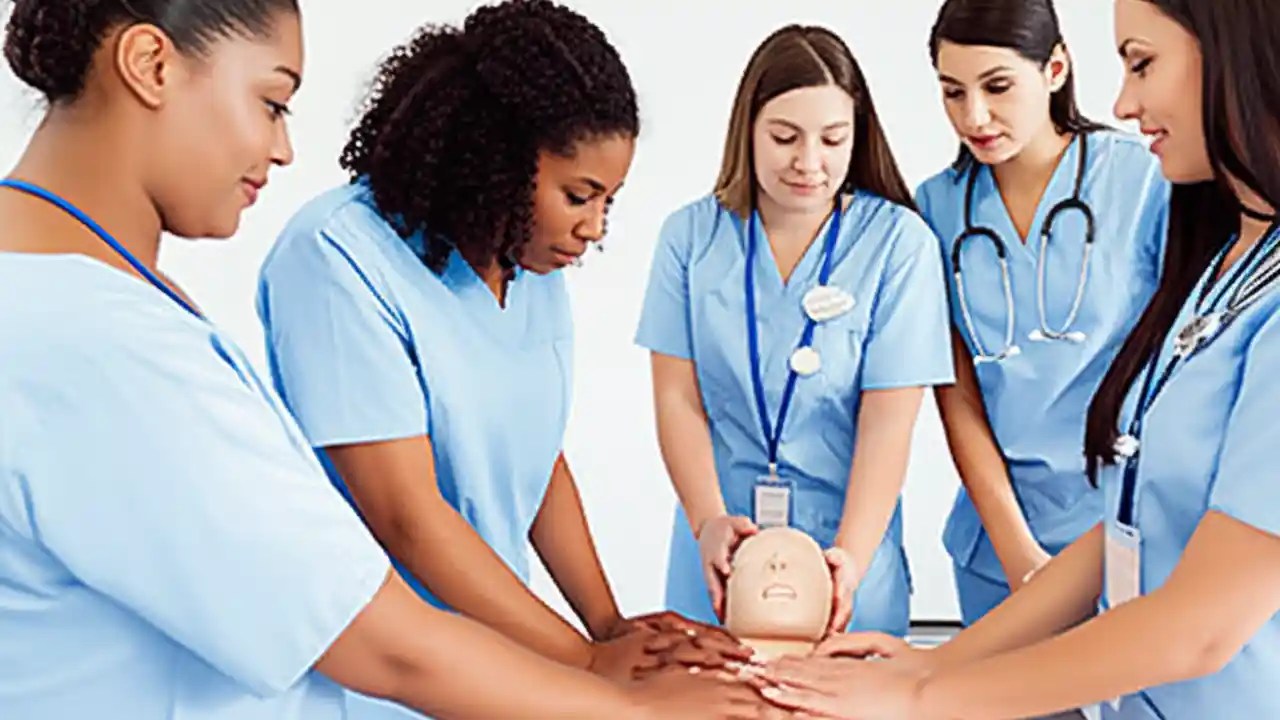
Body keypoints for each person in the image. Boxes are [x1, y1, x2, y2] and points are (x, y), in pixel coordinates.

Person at [0, 1, 772, 718]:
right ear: (151, 64)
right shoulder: (94, 338)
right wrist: (619, 697)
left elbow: (529, 458)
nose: (282, 145)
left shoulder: (98, 301)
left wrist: (604, 638)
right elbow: (384, 630)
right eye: (271, 103)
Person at [758, 1, 1280, 717]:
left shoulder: (1153, 196)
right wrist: (931, 666)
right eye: (952, 90)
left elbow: (1204, 627)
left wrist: (924, 694)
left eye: (1142, 62)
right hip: (1096, 629)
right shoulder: (1227, 264)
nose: (1122, 101)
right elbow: (1134, 518)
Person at [254, 2, 738, 717]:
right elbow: (406, 515)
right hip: (370, 675)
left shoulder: (527, 267)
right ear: (495, 161)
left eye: (611, 200)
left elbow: (535, 458)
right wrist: (586, 662)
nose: (595, 228)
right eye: (579, 195)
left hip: (496, 659)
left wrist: (608, 628)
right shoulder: (336, 259)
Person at [636, 24, 954, 641]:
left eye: (833, 139)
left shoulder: (899, 245)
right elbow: (677, 397)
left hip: (848, 556)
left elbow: (889, 419)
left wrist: (849, 561)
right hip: (718, 554)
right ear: (747, 131)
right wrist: (708, 522)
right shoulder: (690, 239)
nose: (809, 163)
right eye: (785, 138)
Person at [915, 0, 1169, 625]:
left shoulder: (1142, 181)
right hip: (996, 547)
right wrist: (1016, 552)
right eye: (953, 92)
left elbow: (1179, 368)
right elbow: (957, 393)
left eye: (997, 86)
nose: (974, 116)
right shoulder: (935, 207)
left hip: (1127, 531)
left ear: (1055, 69)